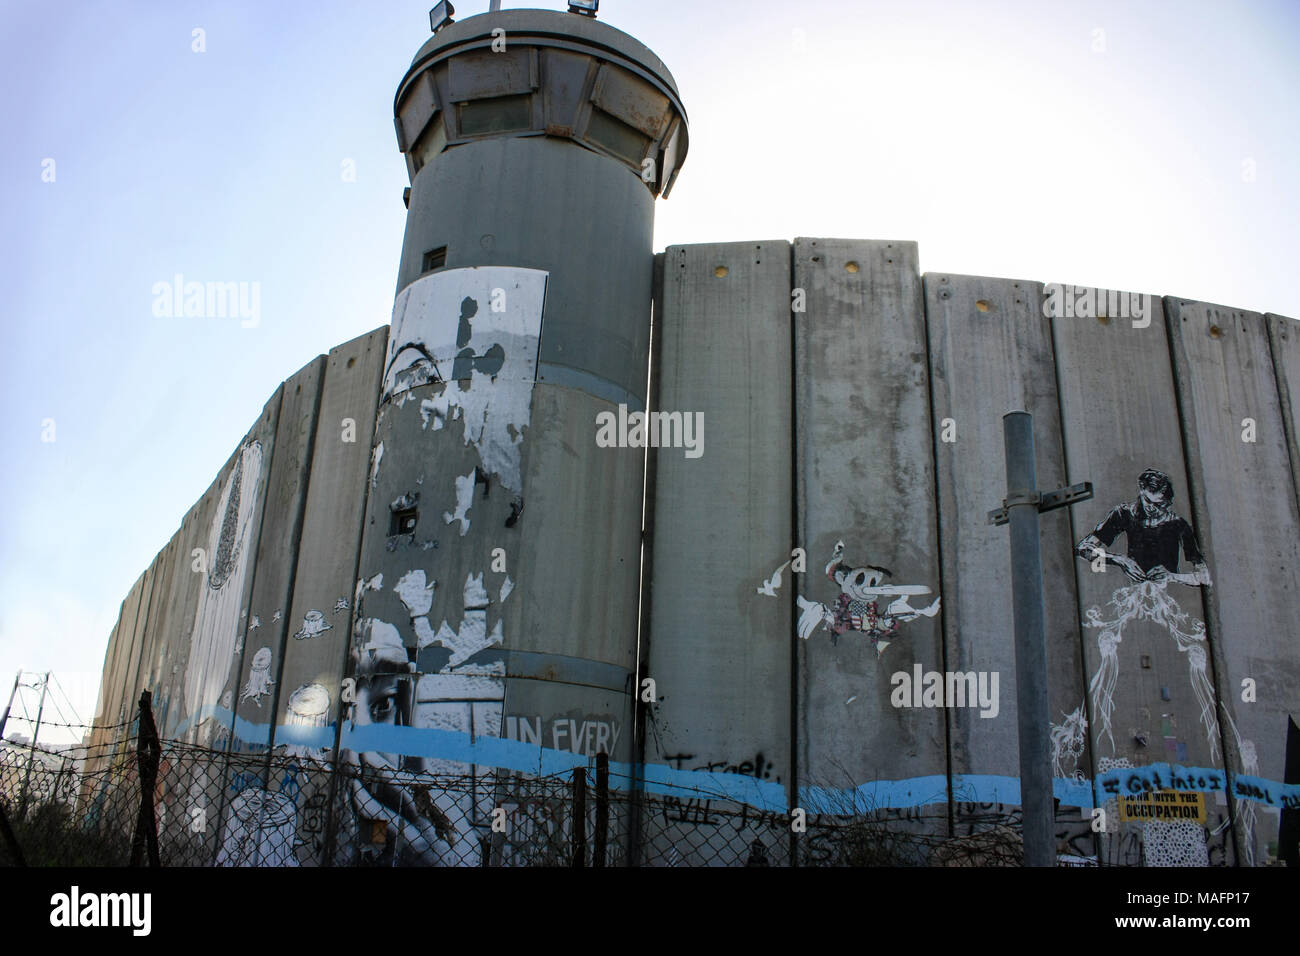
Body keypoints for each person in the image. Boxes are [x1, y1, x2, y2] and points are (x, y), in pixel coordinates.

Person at [1074, 468, 1210, 588]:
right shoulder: (1124, 513)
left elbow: (1204, 577)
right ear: (1141, 493)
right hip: (1131, 595)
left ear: (1168, 502)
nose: (1151, 508)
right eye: (1147, 501)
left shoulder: (1178, 524)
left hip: (1167, 599)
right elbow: (1083, 548)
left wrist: (1172, 577)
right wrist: (1119, 560)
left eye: (1159, 504)